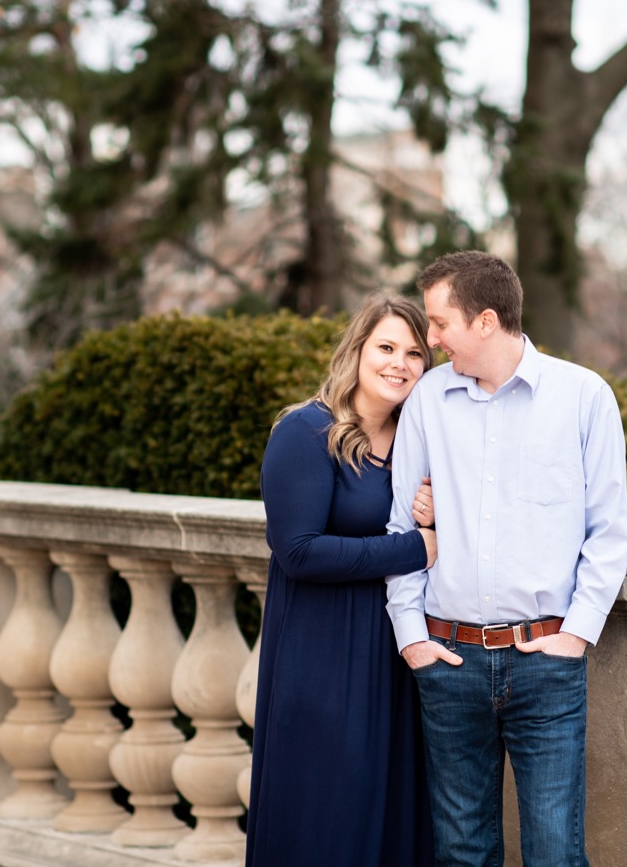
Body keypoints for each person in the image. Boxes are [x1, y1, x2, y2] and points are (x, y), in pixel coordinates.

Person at [386, 251, 627, 867]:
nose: (430, 339)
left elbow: (608, 532)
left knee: (554, 850)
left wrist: (576, 635)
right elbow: (401, 529)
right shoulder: (428, 402)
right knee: (462, 851)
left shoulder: (584, 398)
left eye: (440, 324)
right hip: (448, 662)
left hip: (545, 663)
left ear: (487, 321)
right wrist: (412, 638)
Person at [246, 292, 440, 867]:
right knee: (325, 813)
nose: (398, 364)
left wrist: (433, 515)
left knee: (390, 813)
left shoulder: (417, 443)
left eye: (414, 353)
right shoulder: (306, 432)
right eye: (385, 347)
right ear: (357, 350)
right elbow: (298, 551)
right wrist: (412, 546)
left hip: (394, 652)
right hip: (321, 654)